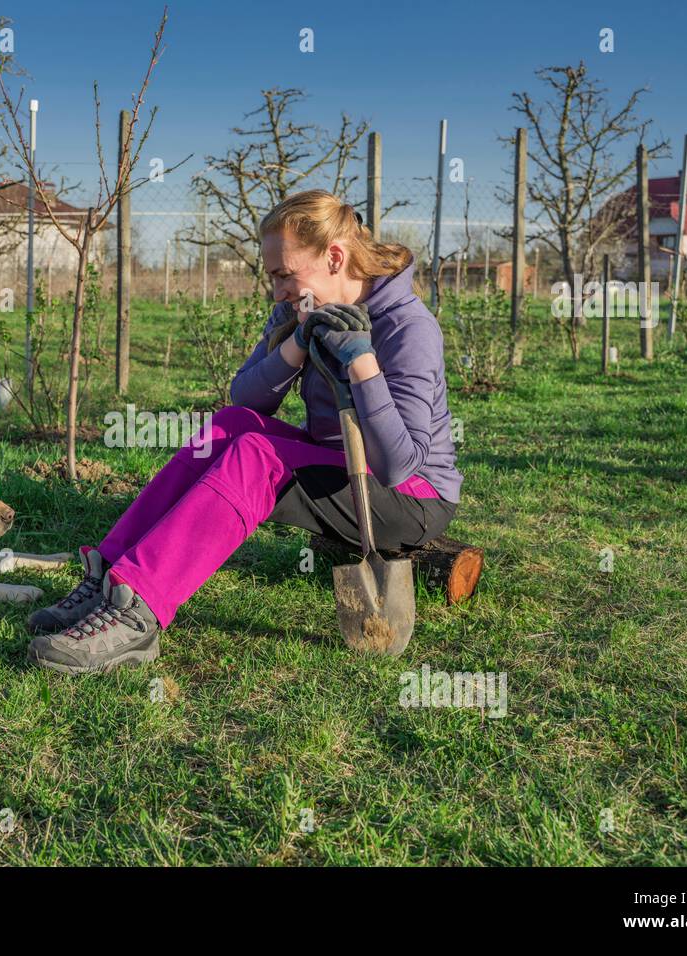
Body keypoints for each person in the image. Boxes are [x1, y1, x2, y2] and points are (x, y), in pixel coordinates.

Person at [25, 189, 462, 675]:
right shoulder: (302, 307)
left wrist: (361, 361)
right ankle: (109, 573)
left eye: (284, 275)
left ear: (335, 257)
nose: (276, 291)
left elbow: (398, 464)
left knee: (258, 456)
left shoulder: (408, 327)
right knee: (231, 427)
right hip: (334, 466)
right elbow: (246, 400)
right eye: (272, 275)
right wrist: (296, 344)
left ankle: (137, 611)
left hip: (410, 497)